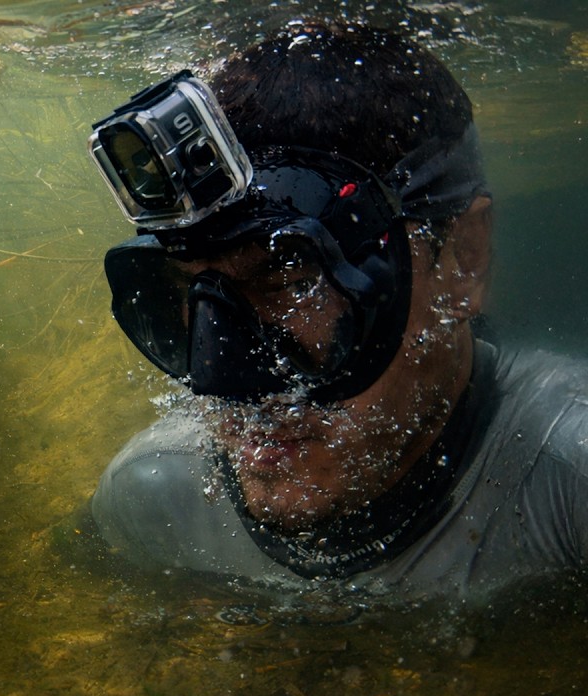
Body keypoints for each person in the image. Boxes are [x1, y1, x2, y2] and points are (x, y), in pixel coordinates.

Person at [85, 21, 588, 603]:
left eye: (292, 278)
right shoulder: (150, 502)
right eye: (193, 294)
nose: (220, 380)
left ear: (463, 258)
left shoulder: (569, 486)